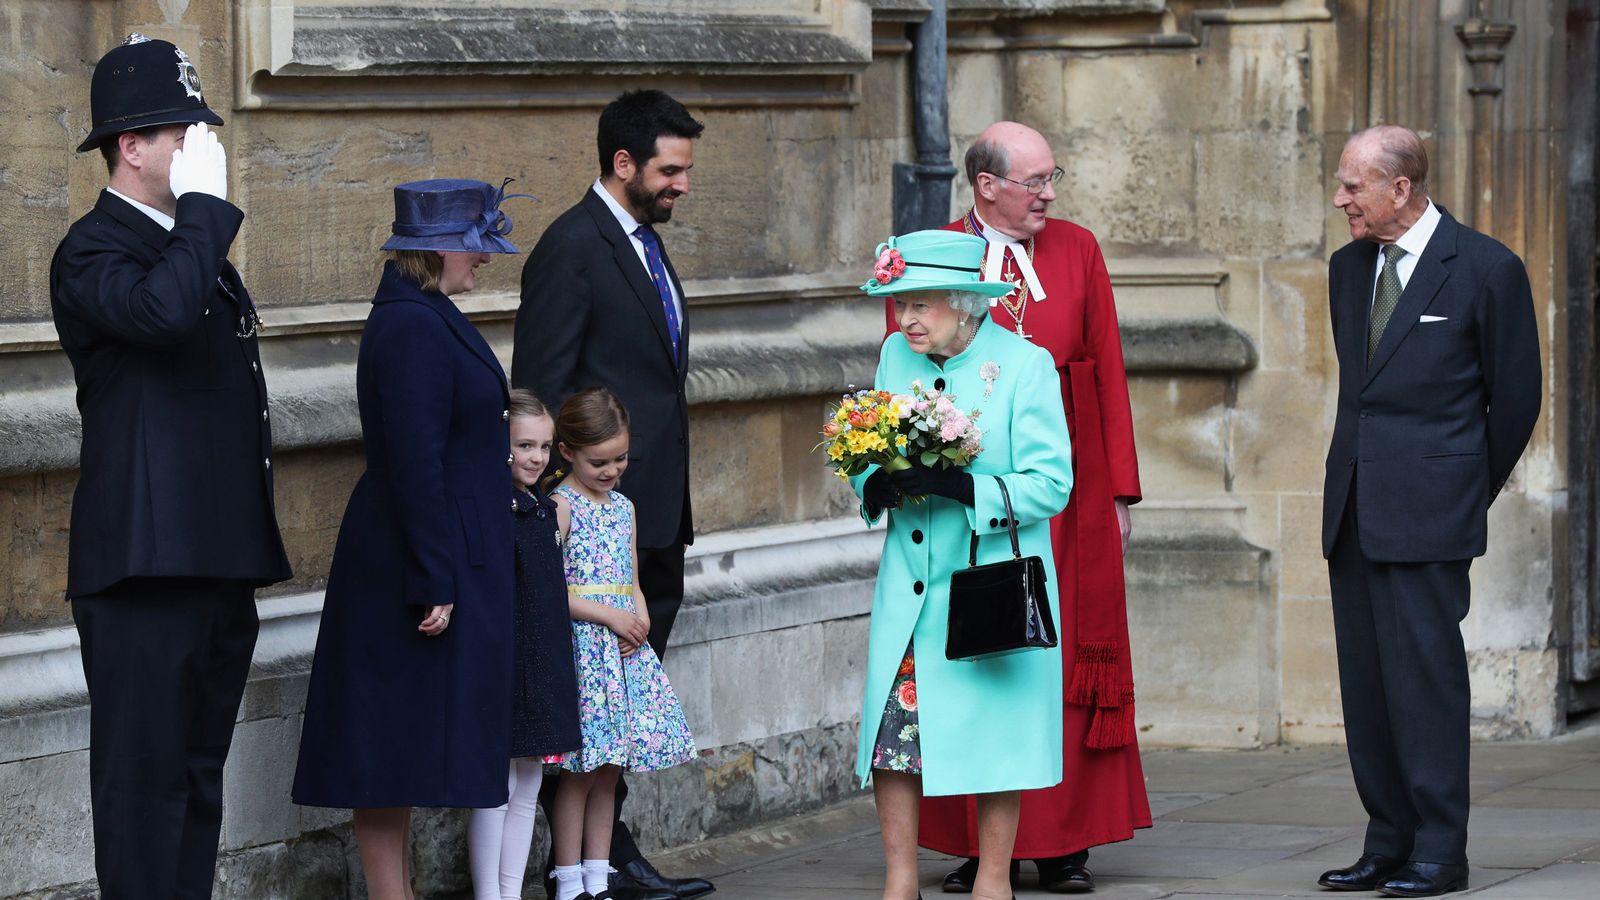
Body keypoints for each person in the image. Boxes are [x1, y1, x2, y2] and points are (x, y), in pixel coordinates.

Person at [49, 33, 292, 899]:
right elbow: (156, 318)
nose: (200, 151)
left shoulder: (191, 250)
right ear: (131, 145)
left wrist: (198, 226)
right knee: (142, 796)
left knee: (194, 786)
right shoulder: (93, 250)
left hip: (213, 563)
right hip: (145, 573)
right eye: (183, 131)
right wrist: (205, 217)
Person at [896, 121, 1149, 894]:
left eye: (1052, 178)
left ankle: (1065, 841)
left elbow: (1105, 364)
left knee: (1061, 656)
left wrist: (1120, 492)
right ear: (986, 186)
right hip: (968, 490)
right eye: (1034, 181)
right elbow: (908, 362)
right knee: (977, 660)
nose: (1049, 193)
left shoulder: (1077, 247)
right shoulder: (932, 250)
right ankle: (982, 849)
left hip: (1066, 487)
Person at [1315, 125, 1540, 897]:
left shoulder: (1486, 268)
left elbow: (1515, 402)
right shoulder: (1349, 269)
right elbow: (1364, 396)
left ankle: (1441, 852)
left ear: (1400, 189)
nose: (1341, 198)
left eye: (1352, 186)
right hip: (1353, 509)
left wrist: (1456, 491)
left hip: (1430, 515)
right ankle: (1388, 842)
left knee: (1426, 686)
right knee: (1368, 687)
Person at [292, 179, 528, 900]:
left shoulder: (425, 315)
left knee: (395, 744)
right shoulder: (410, 326)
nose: (484, 261)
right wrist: (434, 577)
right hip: (411, 562)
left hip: (436, 551)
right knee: (384, 745)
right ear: (437, 250)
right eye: (475, 247)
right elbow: (414, 462)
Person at [512, 88, 713, 900]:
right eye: (670, 170)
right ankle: (591, 865)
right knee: (591, 706)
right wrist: (565, 517)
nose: (683, 185)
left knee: (626, 700)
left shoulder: (642, 241)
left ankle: (605, 856)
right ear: (623, 163)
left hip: (650, 513)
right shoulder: (571, 247)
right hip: (592, 533)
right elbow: (543, 387)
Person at [854, 229, 1075, 900]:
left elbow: (1053, 483)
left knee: (995, 735)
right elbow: (869, 440)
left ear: (964, 303)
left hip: (984, 582)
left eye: (920, 304)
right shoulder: (896, 354)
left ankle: (995, 880)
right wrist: (873, 483)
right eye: (899, 305)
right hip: (911, 583)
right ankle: (899, 882)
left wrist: (969, 490)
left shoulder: (1023, 364)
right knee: (894, 735)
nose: (907, 321)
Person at [543, 388, 698, 900]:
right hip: (585, 650)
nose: (612, 470)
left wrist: (641, 614)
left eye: (620, 459)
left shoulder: (623, 507)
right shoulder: (560, 507)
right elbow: (548, 591)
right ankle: (567, 882)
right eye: (599, 462)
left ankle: (598, 873)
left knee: (610, 770)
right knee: (581, 771)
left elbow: (630, 575)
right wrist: (610, 615)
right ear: (566, 451)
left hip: (622, 653)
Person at [468, 389, 584, 900]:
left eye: (544, 446)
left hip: (543, 661)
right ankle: (489, 894)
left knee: (529, 783)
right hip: (504, 661)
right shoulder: (493, 509)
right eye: (524, 446)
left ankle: (510, 892)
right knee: (496, 789)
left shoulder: (546, 510)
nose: (536, 457)